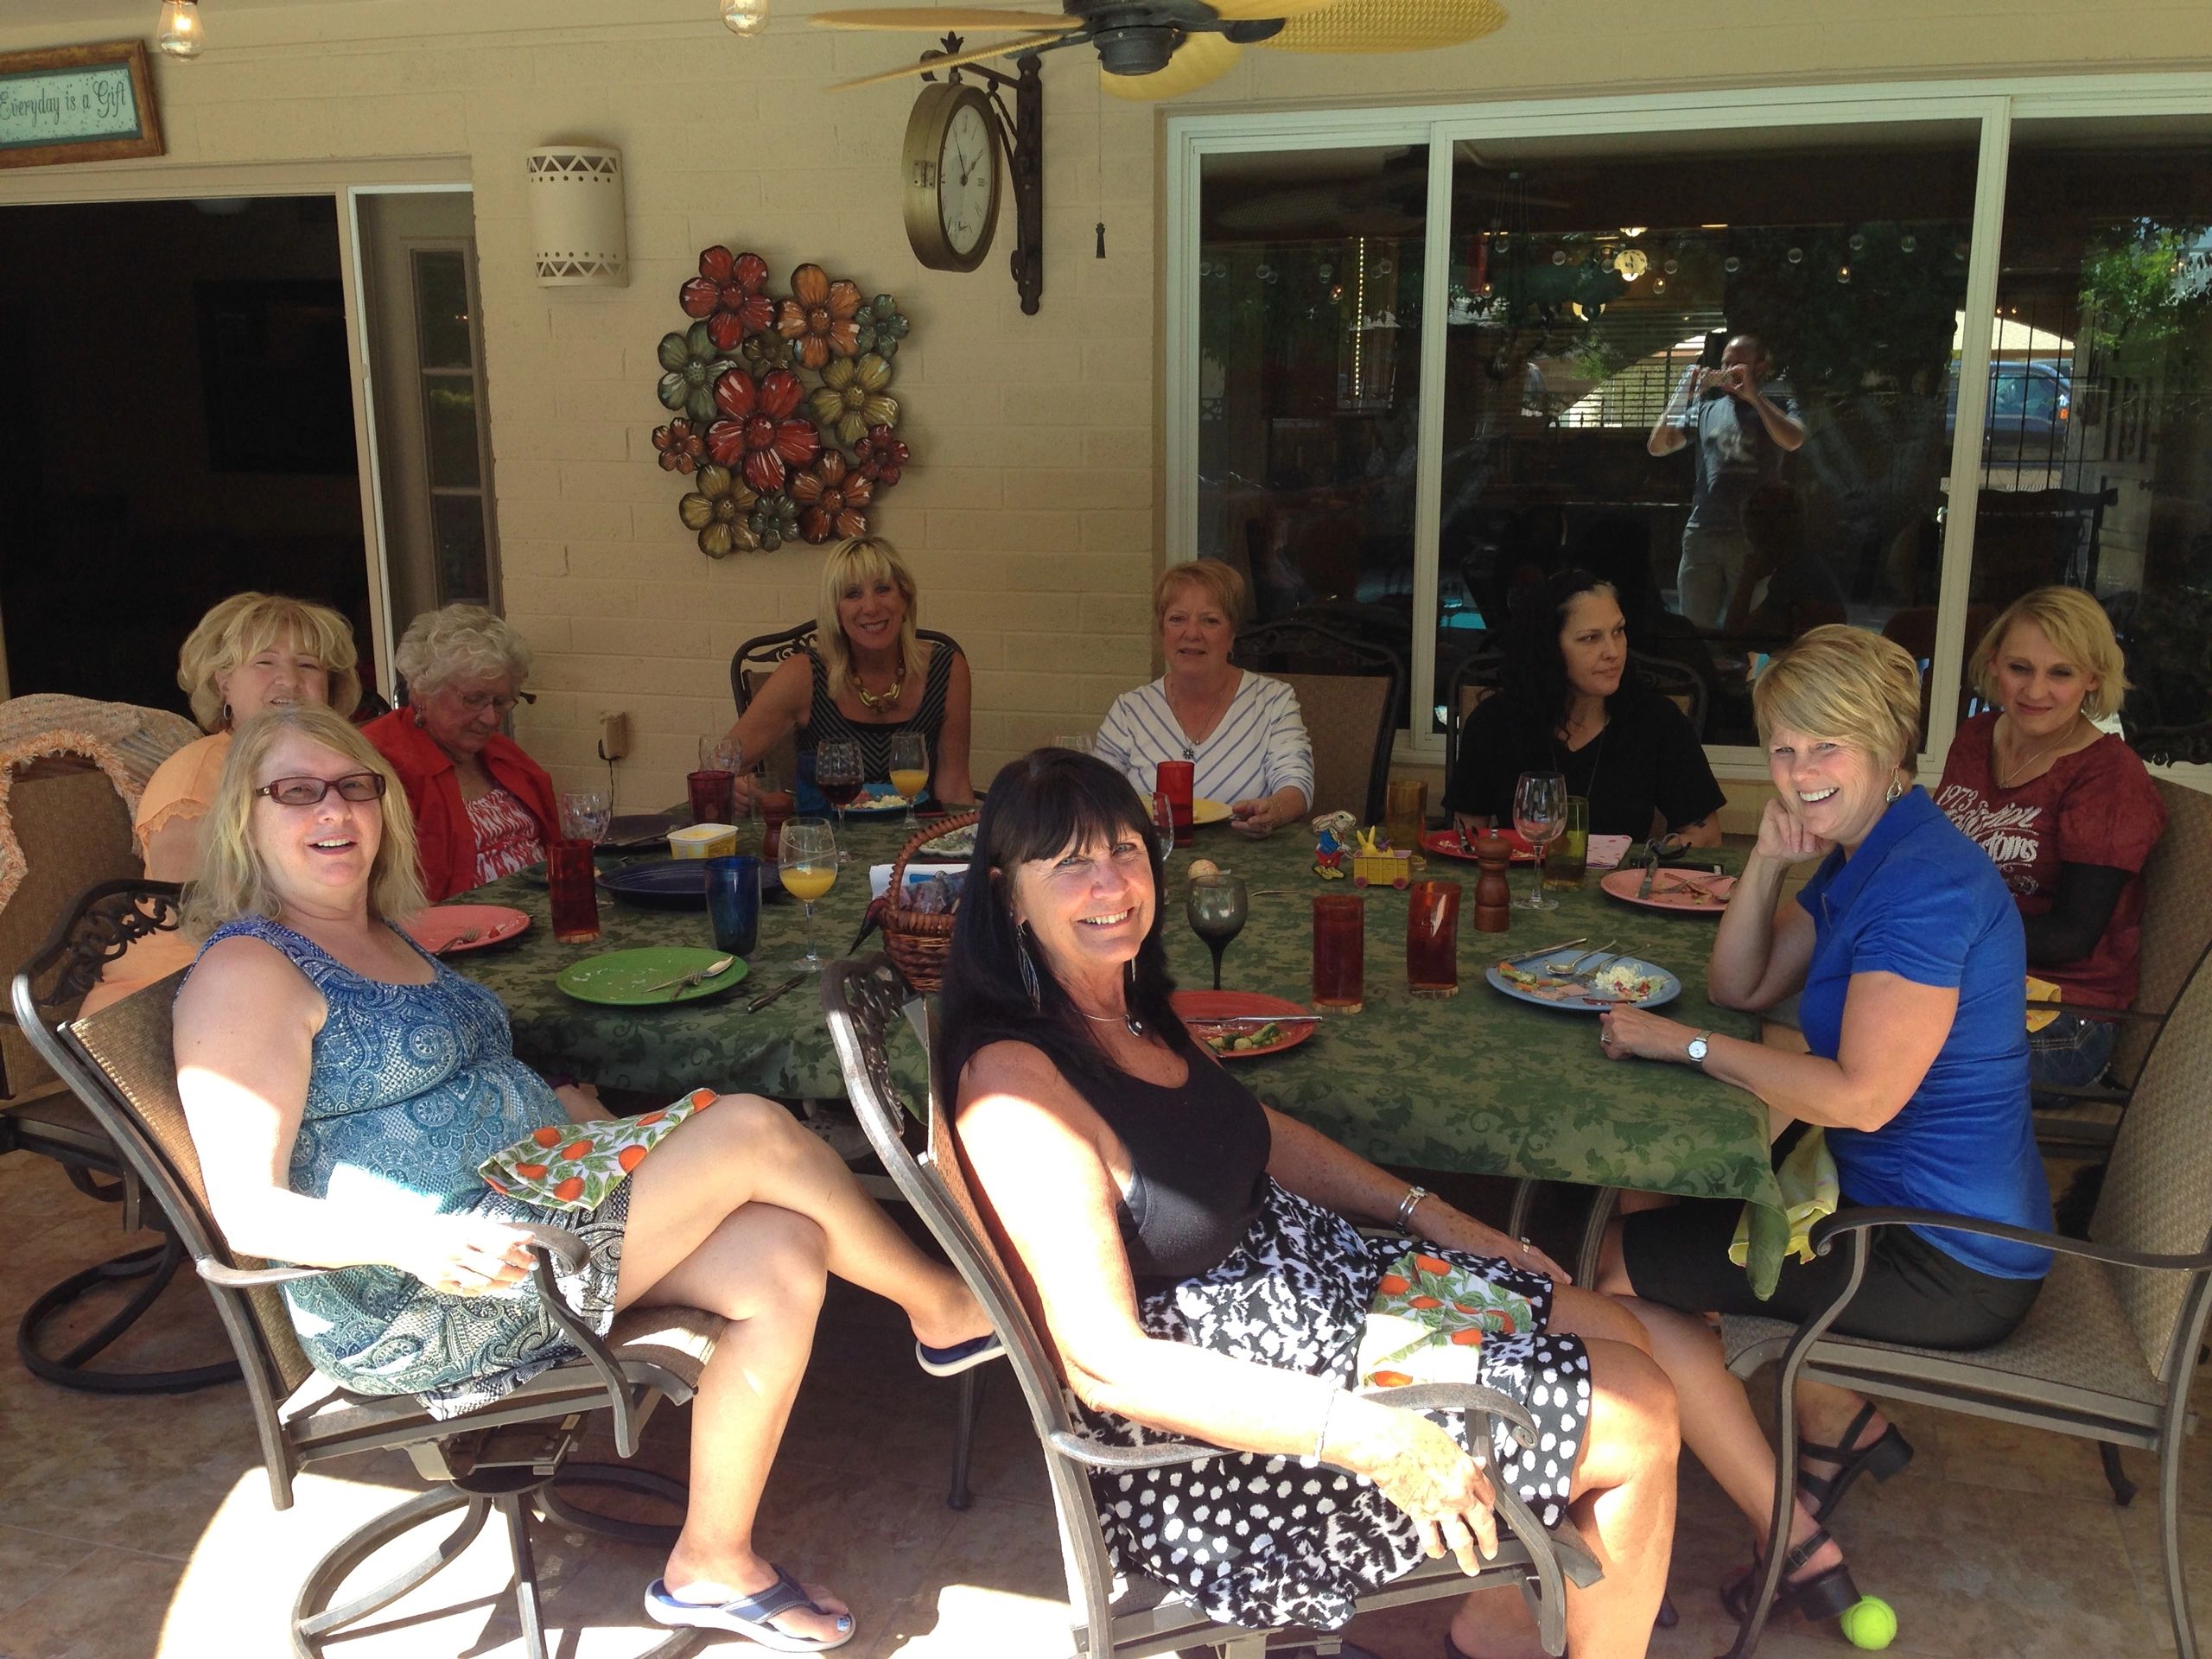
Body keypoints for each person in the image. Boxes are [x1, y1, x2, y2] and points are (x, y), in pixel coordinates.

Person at [173, 706, 997, 1651]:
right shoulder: (250, 971)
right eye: (298, 791)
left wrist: (607, 1135)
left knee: (783, 1249)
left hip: (538, 1205)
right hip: (430, 1290)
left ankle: (710, 1565)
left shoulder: (384, 935)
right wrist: (418, 1241)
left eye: (356, 786)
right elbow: (245, 1210)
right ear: (246, 817)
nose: (336, 810)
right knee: (756, 1129)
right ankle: (944, 1309)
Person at [941, 749, 1677, 1659]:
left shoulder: (1124, 1007)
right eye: (1071, 866)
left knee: (1618, 1331)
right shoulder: (1015, 1085)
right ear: (1010, 896)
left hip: (1337, 1304)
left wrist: (1432, 1213)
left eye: (1126, 852)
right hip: (1246, 1444)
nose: (1112, 885)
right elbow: (1106, 1366)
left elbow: (1251, 1131)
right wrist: (1372, 1439)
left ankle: (1490, 1624)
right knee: (1639, 1413)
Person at [1592, 626, 2050, 1638]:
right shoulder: (1872, 853)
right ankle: (1833, 1414)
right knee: (1648, 1204)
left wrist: (1688, 1050)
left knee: (1617, 1264)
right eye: (1784, 748)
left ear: (1891, 744)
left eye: (1826, 748)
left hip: (1950, 1255)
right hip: (1887, 1207)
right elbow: (1740, 982)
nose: (1800, 774)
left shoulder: (1924, 887)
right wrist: (1765, 859)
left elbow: (1859, 1099)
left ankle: (1790, 1532)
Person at [82, 591, 360, 1015]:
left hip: (299, 978)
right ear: (222, 682)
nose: (289, 680)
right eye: (265, 662)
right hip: (177, 998)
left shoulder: (336, 769)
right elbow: (197, 914)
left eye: (308, 665)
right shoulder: (200, 773)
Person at [1936, 586, 2167, 1087]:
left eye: (2059, 673)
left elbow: (2072, 936)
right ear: (1994, 664)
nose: (2035, 691)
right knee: (1823, 1006)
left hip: (2065, 1013)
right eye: (2020, 668)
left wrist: (1932, 936)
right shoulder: (1977, 737)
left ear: (2092, 679)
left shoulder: (2109, 776)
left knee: (1885, 1051)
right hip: (1961, 980)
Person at [1447, 569, 1725, 846]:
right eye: (1590, 638)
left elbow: (1706, 835)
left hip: (1621, 883)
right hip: (1522, 881)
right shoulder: (1495, 723)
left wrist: (1647, 863)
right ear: (1549, 648)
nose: (1613, 652)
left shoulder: (1657, 720)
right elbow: (1466, 836)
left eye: (1618, 631)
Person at [721, 536, 974, 815]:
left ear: (905, 597)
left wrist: (964, 845)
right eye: (853, 594)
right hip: (826, 844)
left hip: (915, 840)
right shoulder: (803, 675)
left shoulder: (948, 670)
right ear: (836, 611)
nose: (871, 607)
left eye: (883, 589)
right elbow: (717, 768)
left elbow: (954, 786)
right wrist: (735, 788)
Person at [1093, 559, 1313, 839]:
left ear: (1232, 634)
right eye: (1177, 619)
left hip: (1246, 863)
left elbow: (1297, 784)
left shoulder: (1273, 701)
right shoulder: (1130, 710)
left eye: (1210, 620)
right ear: (1163, 631)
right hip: (1153, 863)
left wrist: (1274, 811)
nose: (1192, 633)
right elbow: (1096, 796)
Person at [362, 605, 560, 902]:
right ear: (421, 692)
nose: (492, 718)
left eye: (502, 702)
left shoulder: (499, 753)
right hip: (460, 931)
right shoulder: (380, 761)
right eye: (474, 699)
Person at [1647, 334, 1807, 630]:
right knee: (1694, 628)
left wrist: (1753, 397)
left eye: (1739, 364)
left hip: (1751, 538)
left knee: (1749, 630)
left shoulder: (1778, 403)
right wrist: (1686, 388)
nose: (1730, 370)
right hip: (1702, 532)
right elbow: (1658, 446)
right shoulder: (1706, 409)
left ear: (1760, 367)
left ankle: (1744, 677)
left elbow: (1793, 440)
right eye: (1725, 364)